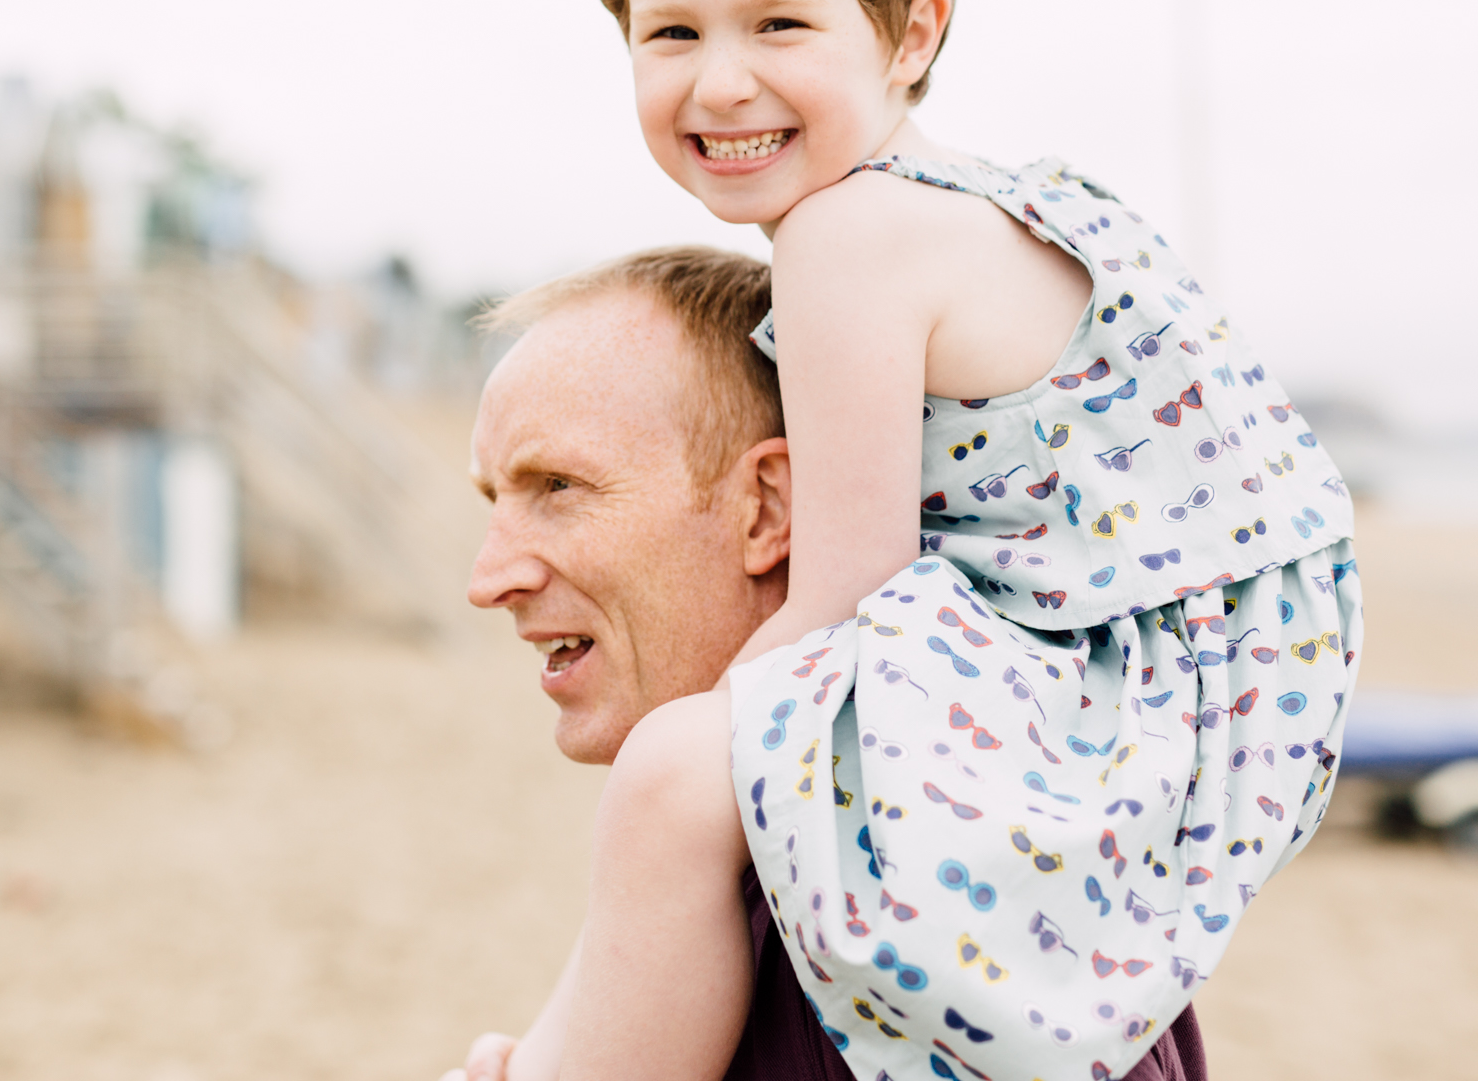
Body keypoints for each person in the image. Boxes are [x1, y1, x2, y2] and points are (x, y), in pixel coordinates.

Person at [518, 0, 1364, 1081]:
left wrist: (726, 747)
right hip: (1197, 660)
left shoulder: (849, 236)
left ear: (912, 34)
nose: (721, 82)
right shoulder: (970, 192)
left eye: (778, 25)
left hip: (1105, 676)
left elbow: (846, 594)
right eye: (672, 33)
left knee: (678, 779)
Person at [447, 247, 1204, 1081]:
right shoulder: (764, 856)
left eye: (557, 486)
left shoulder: (915, 911)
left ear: (766, 507)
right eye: (495, 499)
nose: (489, 581)